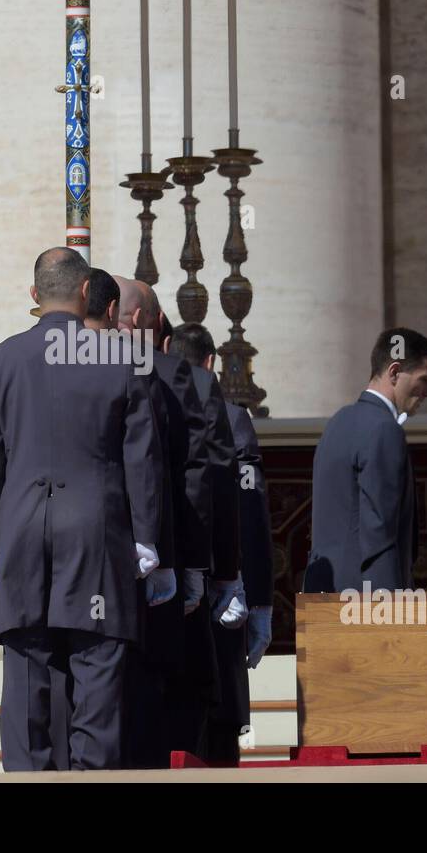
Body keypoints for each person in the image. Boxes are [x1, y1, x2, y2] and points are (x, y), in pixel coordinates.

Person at [0, 247, 163, 770]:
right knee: (97, 664)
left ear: (34, 296)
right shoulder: (122, 360)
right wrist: (147, 540)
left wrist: (2, 532)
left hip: (23, 532)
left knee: (26, 668)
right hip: (97, 533)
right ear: (87, 292)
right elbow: (141, 460)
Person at [115, 277, 217, 764]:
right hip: (160, 560)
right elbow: (193, 470)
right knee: (156, 692)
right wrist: (196, 563)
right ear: (146, 320)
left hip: (89, 566)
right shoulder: (174, 373)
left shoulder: (63, 367)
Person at [170, 322, 275, 763]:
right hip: (217, 597)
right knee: (216, 738)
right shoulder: (233, 418)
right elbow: (249, 512)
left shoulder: (149, 400)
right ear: (211, 362)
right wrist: (260, 602)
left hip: (166, 597)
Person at [303, 328, 427, 594]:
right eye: (425, 380)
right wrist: (391, 610)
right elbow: (379, 535)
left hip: (323, 591)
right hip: (366, 601)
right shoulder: (385, 429)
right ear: (395, 372)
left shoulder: (337, 422)